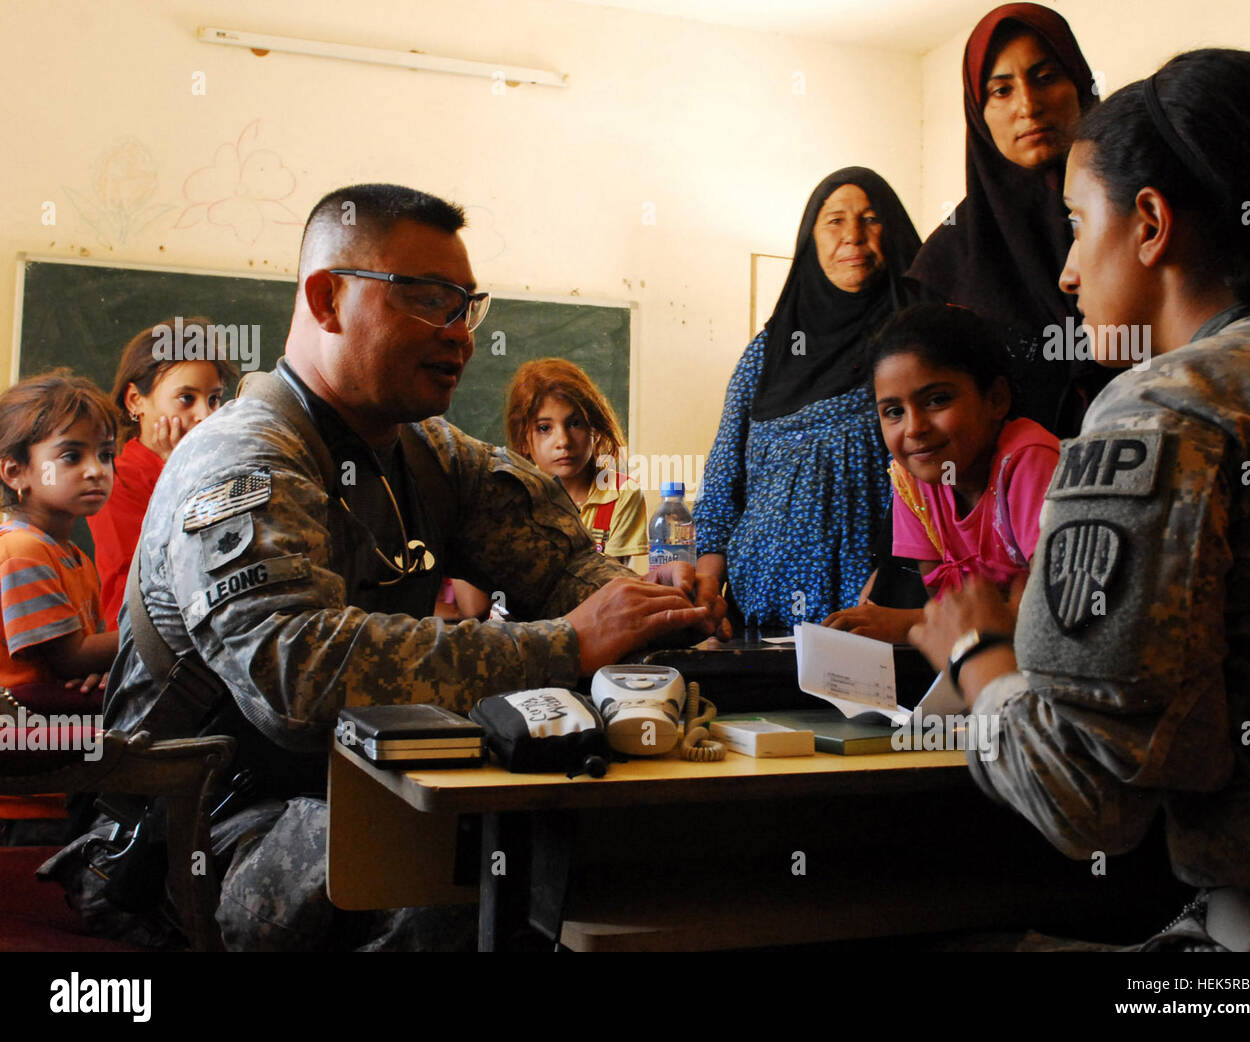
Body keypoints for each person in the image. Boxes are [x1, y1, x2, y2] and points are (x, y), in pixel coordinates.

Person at [45, 183, 727, 951]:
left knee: (585, 840)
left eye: (468, 305)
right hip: (189, 833)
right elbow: (298, 678)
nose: (461, 335)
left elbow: (564, 568)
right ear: (328, 298)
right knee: (445, 876)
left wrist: (649, 605)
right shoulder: (240, 462)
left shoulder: (429, 458)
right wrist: (564, 645)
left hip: (356, 791)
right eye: (431, 301)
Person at [909, 49, 1250, 950]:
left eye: (1080, 225)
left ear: (1152, 224)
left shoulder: (1163, 408)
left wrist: (975, 654)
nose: (1069, 273)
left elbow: (1082, 795)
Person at [693, 167, 921, 628]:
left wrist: (898, 582)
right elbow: (722, 482)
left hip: (871, 618)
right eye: (834, 221)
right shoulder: (768, 352)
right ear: (810, 240)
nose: (853, 236)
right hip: (754, 620)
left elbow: (936, 482)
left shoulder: (917, 345)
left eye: (871, 219)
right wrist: (706, 592)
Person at [907, 3, 1105, 436]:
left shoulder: (1140, 219)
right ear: (978, 113)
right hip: (1008, 497)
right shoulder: (946, 264)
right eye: (1001, 90)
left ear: (1080, 84)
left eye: (1046, 77)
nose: (1028, 106)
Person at [825, 305, 1057, 643]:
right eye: (893, 412)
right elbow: (947, 606)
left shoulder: (1028, 460)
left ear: (996, 399)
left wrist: (907, 624)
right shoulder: (913, 481)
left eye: (936, 401)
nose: (914, 428)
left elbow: (1054, 609)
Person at [88, 320, 235, 626]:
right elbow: (151, 584)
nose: (205, 415)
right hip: (144, 642)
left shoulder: (221, 467)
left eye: (214, 399)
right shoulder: (115, 480)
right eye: (186, 399)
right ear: (134, 401)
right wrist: (177, 473)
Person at [0, 371, 119, 704]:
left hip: (56, 703)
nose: (96, 470)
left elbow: (83, 663)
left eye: (105, 455)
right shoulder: (20, 549)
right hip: (21, 717)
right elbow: (70, 659)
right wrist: (163, 631)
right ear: (15, 471)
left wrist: (99, 669)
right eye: (71, 456)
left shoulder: (74, 555)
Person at [505, 357, 647, 566]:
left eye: (575, 424)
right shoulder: (514, 495)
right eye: (545, 428)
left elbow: (611, 581)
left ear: (595, 430)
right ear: (523, 440)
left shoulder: (622, 494)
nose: (563, 441)